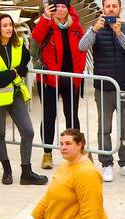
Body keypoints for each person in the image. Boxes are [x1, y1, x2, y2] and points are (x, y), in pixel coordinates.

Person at [0, 13, 47, 187]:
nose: (9, 28)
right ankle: (7, 169)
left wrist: (18, 71)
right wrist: (13, 73)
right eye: (4, 25)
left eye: (10, 24)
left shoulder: (18, 45)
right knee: (0, 134)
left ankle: (26, 171)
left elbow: (25, 63)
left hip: (14, 94)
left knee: (28, 132)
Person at [81, 0, 125, 182]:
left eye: (114, 6)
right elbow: (82, 47)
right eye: (108, 6)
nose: (111, 9)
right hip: (104, 87)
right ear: (103, 8)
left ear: (120, 9)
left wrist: (119, 33)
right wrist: (94, 30)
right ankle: (106, 163)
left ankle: (124, 163)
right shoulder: (95, 28)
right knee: (104, 127)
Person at [32, 3, 87, 172]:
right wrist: (45, 18)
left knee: (72, 116)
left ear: (68, 8)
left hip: (71, 77)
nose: (60, 11)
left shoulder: (75, 26)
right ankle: (47, 153)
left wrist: (79, 72)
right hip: (49, 78)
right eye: (57, 7)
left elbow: (83, 48)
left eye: (63, 7)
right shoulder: (46, 23)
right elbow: (34, 43)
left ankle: (76, 152)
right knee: (49, 115)